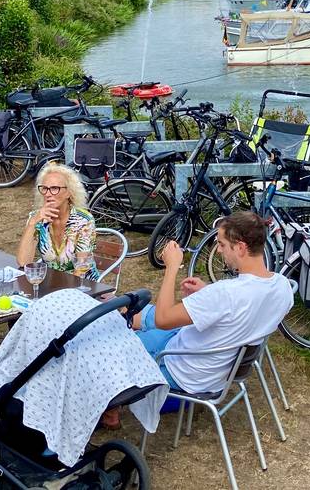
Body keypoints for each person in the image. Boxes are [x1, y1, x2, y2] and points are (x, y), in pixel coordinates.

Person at [134, 212, 292, 394]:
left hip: (181, 370)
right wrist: (206, 291)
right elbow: (247, 309)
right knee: (137, 314)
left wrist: (172, 267)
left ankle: (111, 407)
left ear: (240, 248)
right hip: (213, 370)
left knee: (116, 343)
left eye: (222, 244)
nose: (218, 250)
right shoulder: (282, 286)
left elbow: (163, 320)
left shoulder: (225, 293)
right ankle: (122, 316)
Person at [16, 163, 96, 279]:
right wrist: (33, 223)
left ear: (69, 192)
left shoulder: (83, 221)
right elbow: (23, 262)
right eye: (44, 188)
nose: (48, 194)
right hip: (51, 284)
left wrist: (61, 293)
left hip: (83, 285)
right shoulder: (36, 218)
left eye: (54, 188)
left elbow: (81, 269)